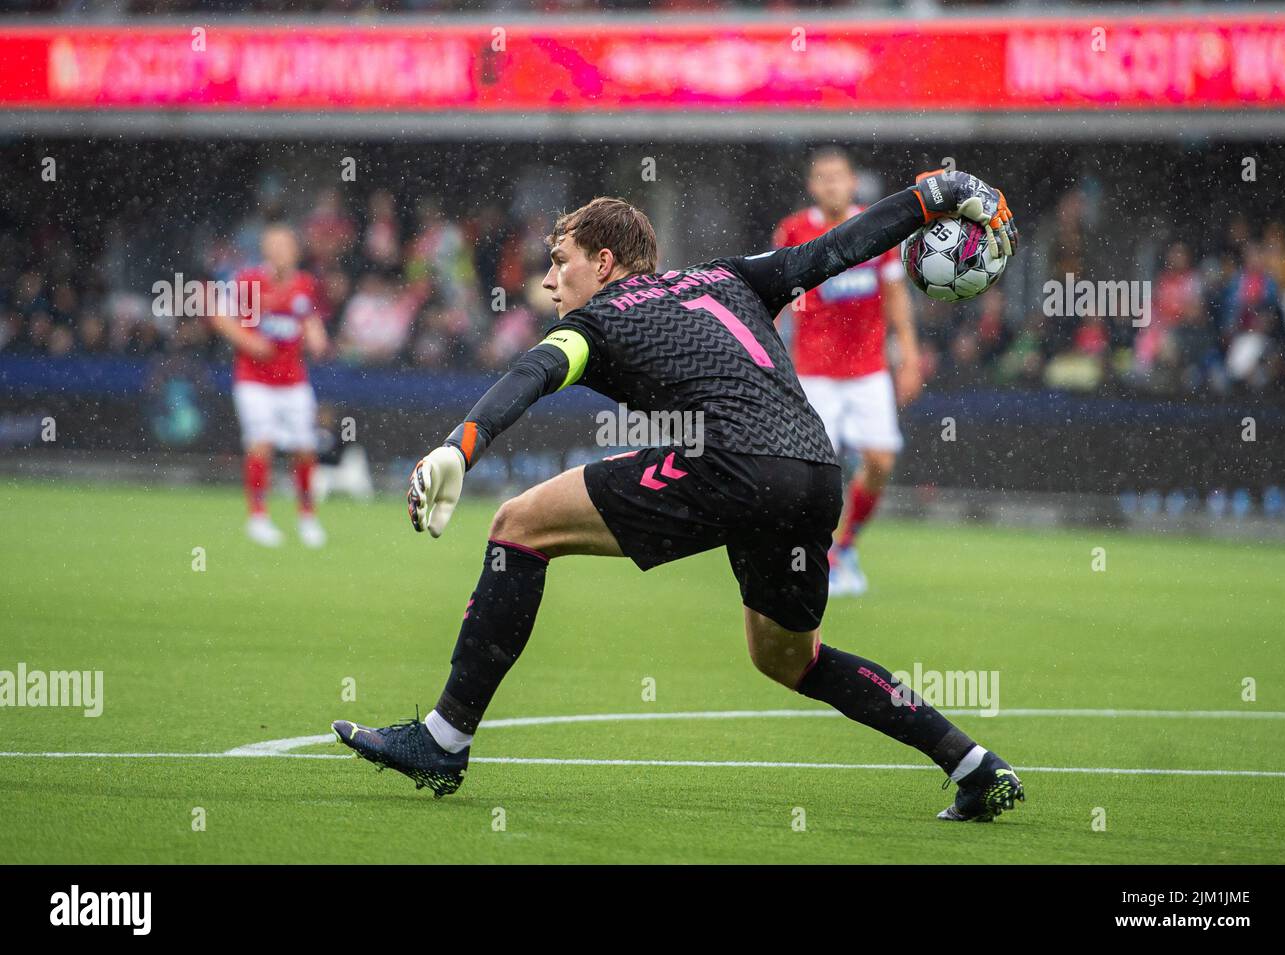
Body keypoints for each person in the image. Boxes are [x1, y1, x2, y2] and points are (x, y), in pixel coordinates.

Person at [333, 170, 1025, 822]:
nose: (548, 280)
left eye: (561, 261)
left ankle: (445, 739)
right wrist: (934, 194)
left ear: (604, 263)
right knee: (791, 658)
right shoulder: (727, 276)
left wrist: (461, 445)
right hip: (814, 472)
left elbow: (533, 373)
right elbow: (837, 249)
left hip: (731, 463)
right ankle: (974, 766)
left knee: (519, 524)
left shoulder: (596, 321)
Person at [774, 147, 920, 596]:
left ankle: (846, 546)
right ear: (811, 186)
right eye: (823, 177)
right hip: (814, 371)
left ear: (853, 182)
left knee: (880, 460)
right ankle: (811, 558)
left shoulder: (877, 227)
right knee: (814, 475)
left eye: (839, 176)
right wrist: (767, 354)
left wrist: (909, 354)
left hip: (868, 369)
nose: (832, 184)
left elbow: (895, 295)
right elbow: (775, 294)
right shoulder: (794, 230)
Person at [212, 224, 329, 548]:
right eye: (273, 246)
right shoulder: (247, 281)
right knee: (261, 443)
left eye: (284, 246)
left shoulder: (305, 284)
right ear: (265, 250)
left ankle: (307, 517)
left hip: (293, 380)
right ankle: (258, 517)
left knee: (304, 448)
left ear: (295, 250)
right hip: (254, 380)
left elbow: (309, 319)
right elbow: (220, 317)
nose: (279, 252)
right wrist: (249, 342)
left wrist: (317, 337)